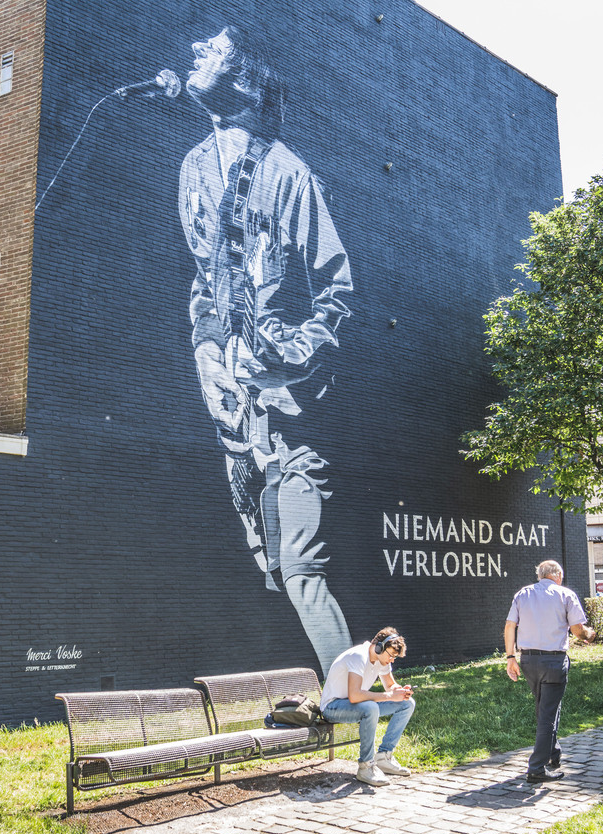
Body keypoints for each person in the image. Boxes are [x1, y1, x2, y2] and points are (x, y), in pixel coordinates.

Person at [178, 26, 354, 676]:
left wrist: (282, 362)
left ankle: (359, 712)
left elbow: (337, 294)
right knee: (276, 569)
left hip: (293, 417)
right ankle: (356, 709)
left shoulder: (291, 176)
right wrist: (204, 348)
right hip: (235, 421)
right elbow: (205, 280)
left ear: (246, 81)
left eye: (214, 46)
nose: (196, 48)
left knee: (303, 569)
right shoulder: (194, 169)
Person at [505, 560, 596, 784]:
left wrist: (510, 657)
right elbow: (577, 630)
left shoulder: (522, 594)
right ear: (557, 575)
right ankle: (536, 768)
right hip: (554, 661)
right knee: (547, 714)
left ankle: (553, 754)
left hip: (528, 661)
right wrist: (589, 634)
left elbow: (509, 626)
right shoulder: (565, 594)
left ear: (540, 575)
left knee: (544, 707)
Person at [319, 628, 416, 786]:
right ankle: (365, 767)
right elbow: (355, 695)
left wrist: (400, 691)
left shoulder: (381, 659)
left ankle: (384, 757)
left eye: (394, 657)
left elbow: (390, 686)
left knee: (407, 704)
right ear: (378, 647)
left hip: (357, 705)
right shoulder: (358, 656)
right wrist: (389, 696)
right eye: (390, 655)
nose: (392, 660)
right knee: (371, 708)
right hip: (333, 706)